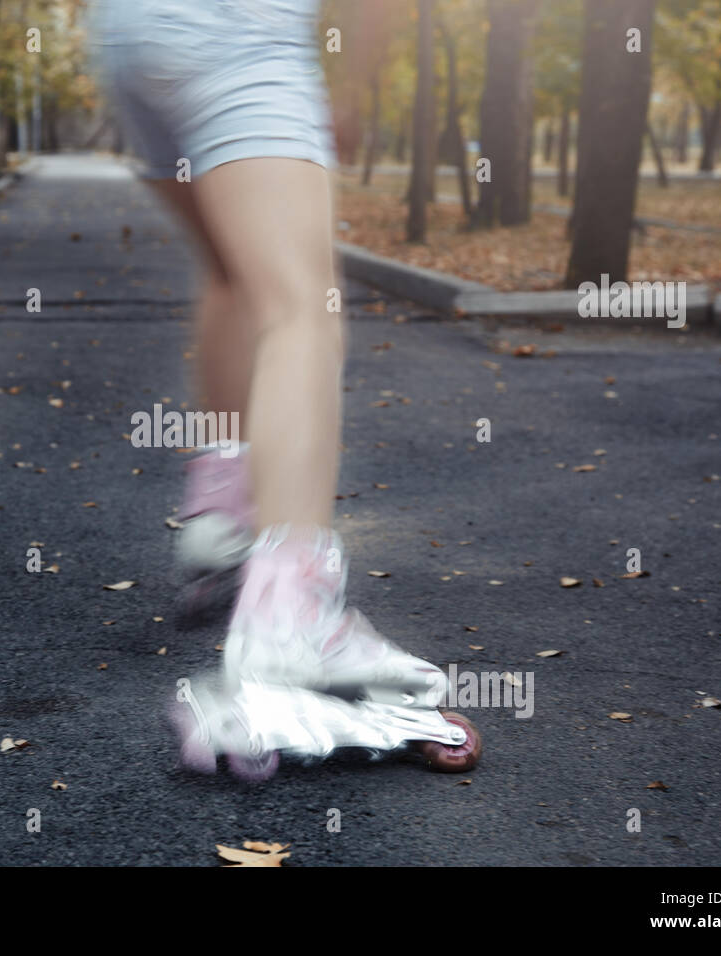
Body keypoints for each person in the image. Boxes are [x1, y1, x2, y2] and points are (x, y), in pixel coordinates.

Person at [89, 0, 481, 778]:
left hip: (129, 36)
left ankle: (225, 511)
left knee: (236, 271)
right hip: (239, 30)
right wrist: (353, 89)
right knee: (303, 307)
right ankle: (292, 615)